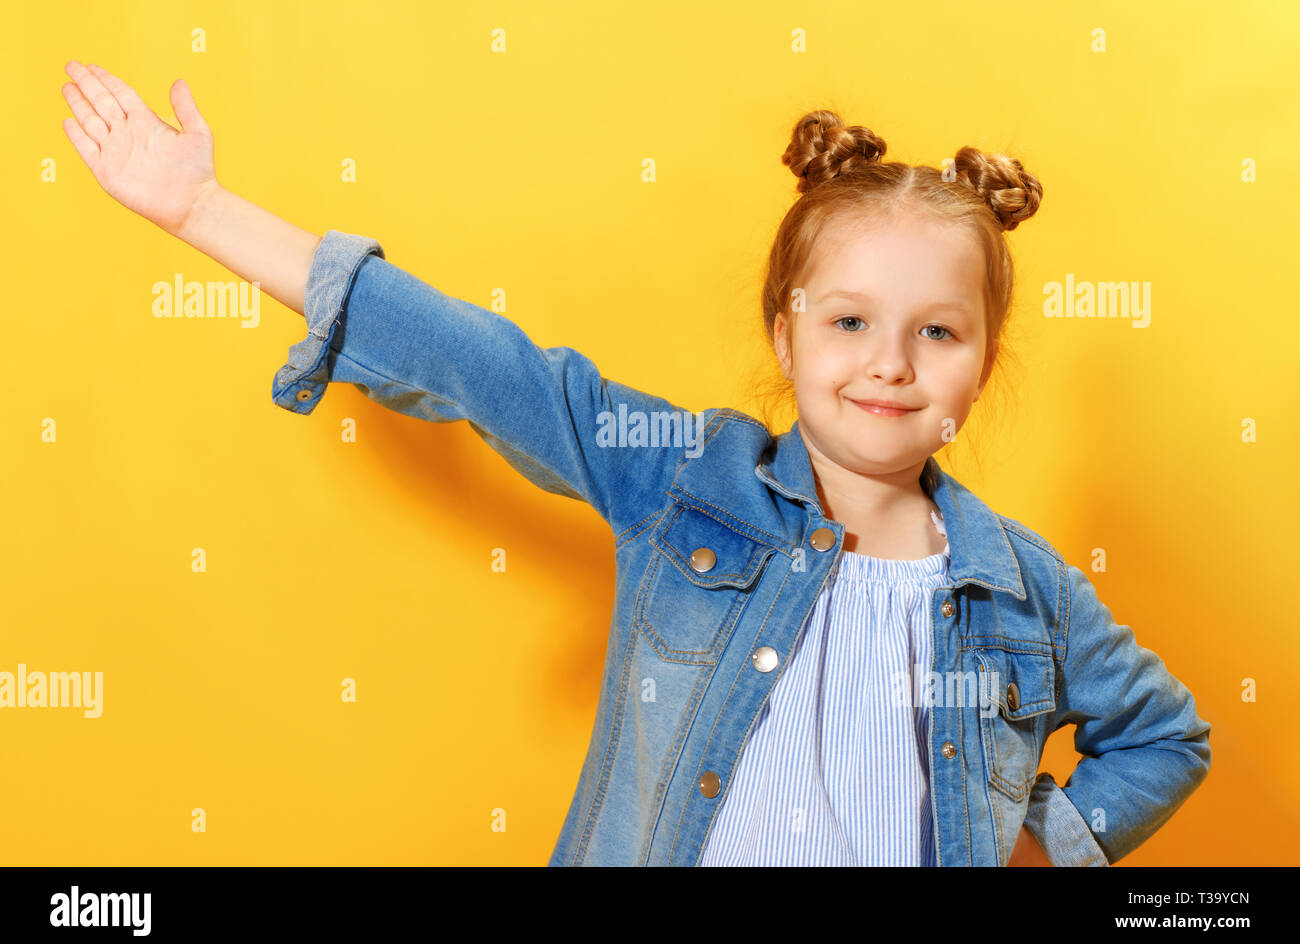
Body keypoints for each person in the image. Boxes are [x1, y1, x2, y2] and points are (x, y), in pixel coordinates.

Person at [60, 61, 1211, 866]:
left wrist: (1037, 843)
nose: (890, 365)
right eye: (848, 322)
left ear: (980, 362)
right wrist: (200, 207)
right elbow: (480, 364)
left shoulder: (1023, 589)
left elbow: (1168, 736)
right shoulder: (685, 480)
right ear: (785, 334)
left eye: (937, 332)